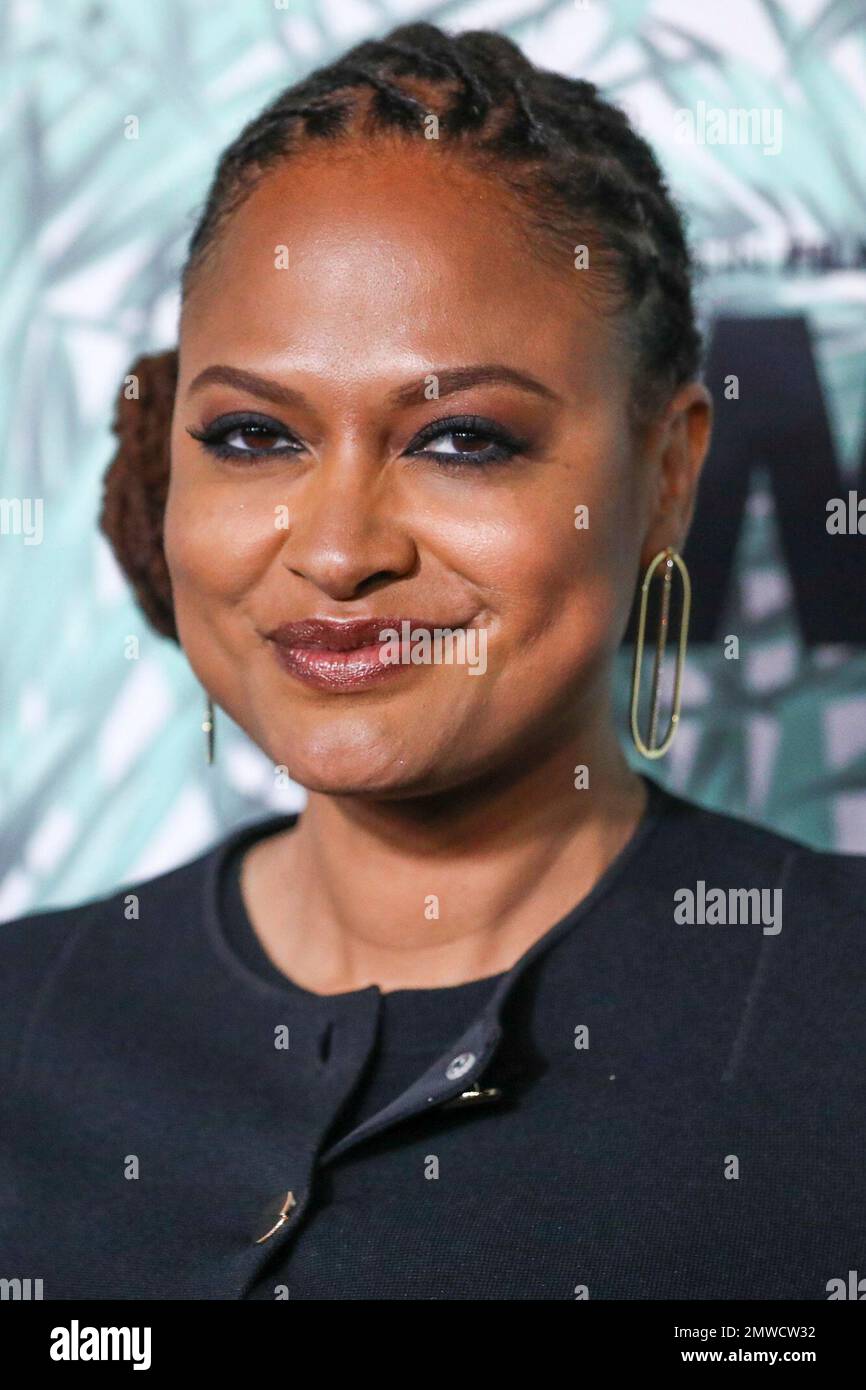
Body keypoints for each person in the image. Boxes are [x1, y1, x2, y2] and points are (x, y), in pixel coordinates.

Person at [2, 22, 864, 1301]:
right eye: (251, 434)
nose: (339, 552)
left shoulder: (831, 1014)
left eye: (461, 440)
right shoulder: (25, 1020)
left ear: (668, 473)